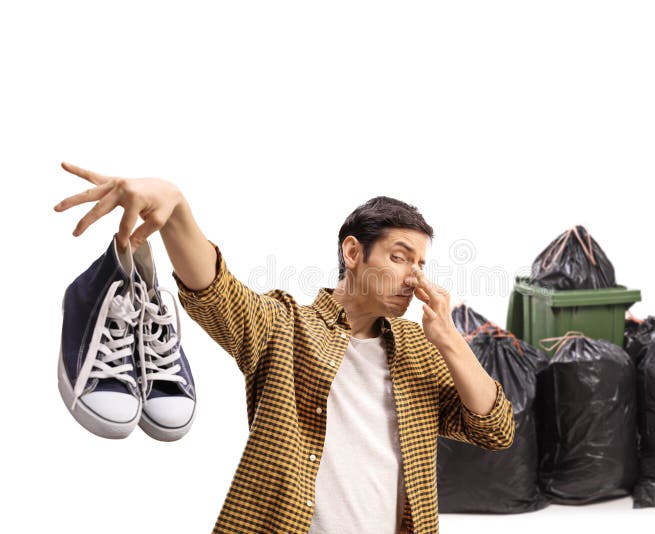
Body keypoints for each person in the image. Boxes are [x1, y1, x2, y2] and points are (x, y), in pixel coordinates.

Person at [54, 162, 515, 533]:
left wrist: (450, 340)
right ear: (353, 254)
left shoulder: (418, 347)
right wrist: (176, 211)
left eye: (420, 263)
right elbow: (216, 291)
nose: (414, 277)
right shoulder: (287, 324)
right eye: (399, 257)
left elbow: (496, 430)